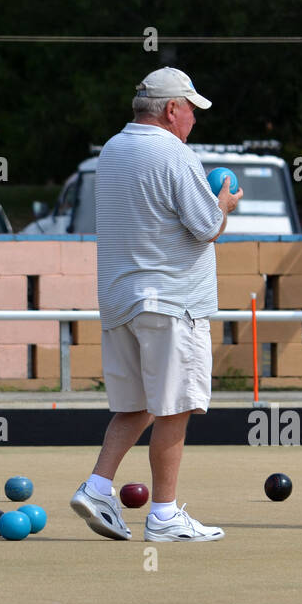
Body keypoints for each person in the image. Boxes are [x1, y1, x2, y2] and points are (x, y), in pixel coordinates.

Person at [71, 67, 241, 543]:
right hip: (172, 302)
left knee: (138, 404)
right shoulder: (174, 153)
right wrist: (223, 203)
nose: (193, 119)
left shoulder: (112, 149)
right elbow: (206, 226)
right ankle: (164, 514)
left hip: (121, 299)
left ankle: (99, 486)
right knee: (174, 408)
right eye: (190, 110)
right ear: (171, 110)